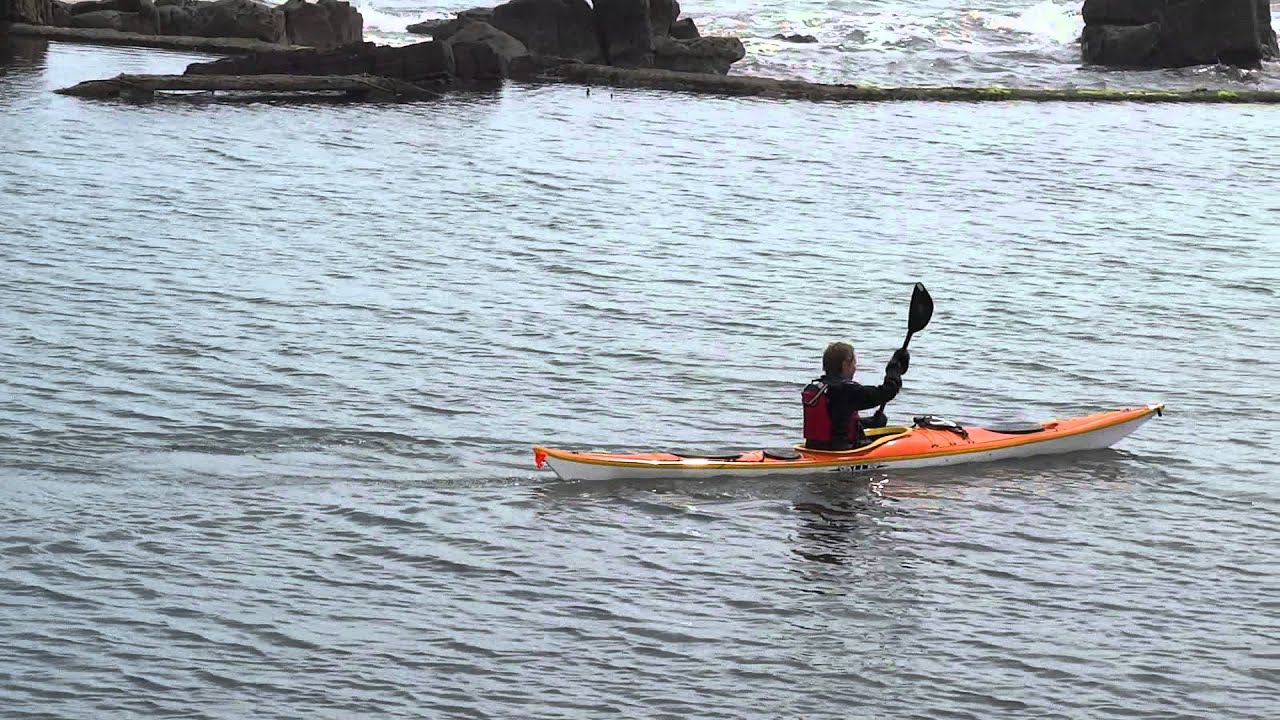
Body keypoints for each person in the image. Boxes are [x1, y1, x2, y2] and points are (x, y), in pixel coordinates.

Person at [802, 342, 910, 451]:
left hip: (814, 447)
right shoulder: (845, 390)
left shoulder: (816, 388)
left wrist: (870, 422)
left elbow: (835, 419)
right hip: (840, 451)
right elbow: (887, 392)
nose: (854, 369)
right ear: (845, 364)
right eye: (854, 364)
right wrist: (894, 369)